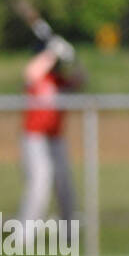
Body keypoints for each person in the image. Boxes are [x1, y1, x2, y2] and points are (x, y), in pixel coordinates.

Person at [18, 35, 84, 227]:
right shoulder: (37, 77)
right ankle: (25, 233)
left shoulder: (59, 81)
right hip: (34, 137)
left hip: (55, 138)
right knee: (40, 182)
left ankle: (69, 229)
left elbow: (81, 80)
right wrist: (52, 52)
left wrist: (73, 58)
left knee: (64, 185)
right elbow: (30, 72)